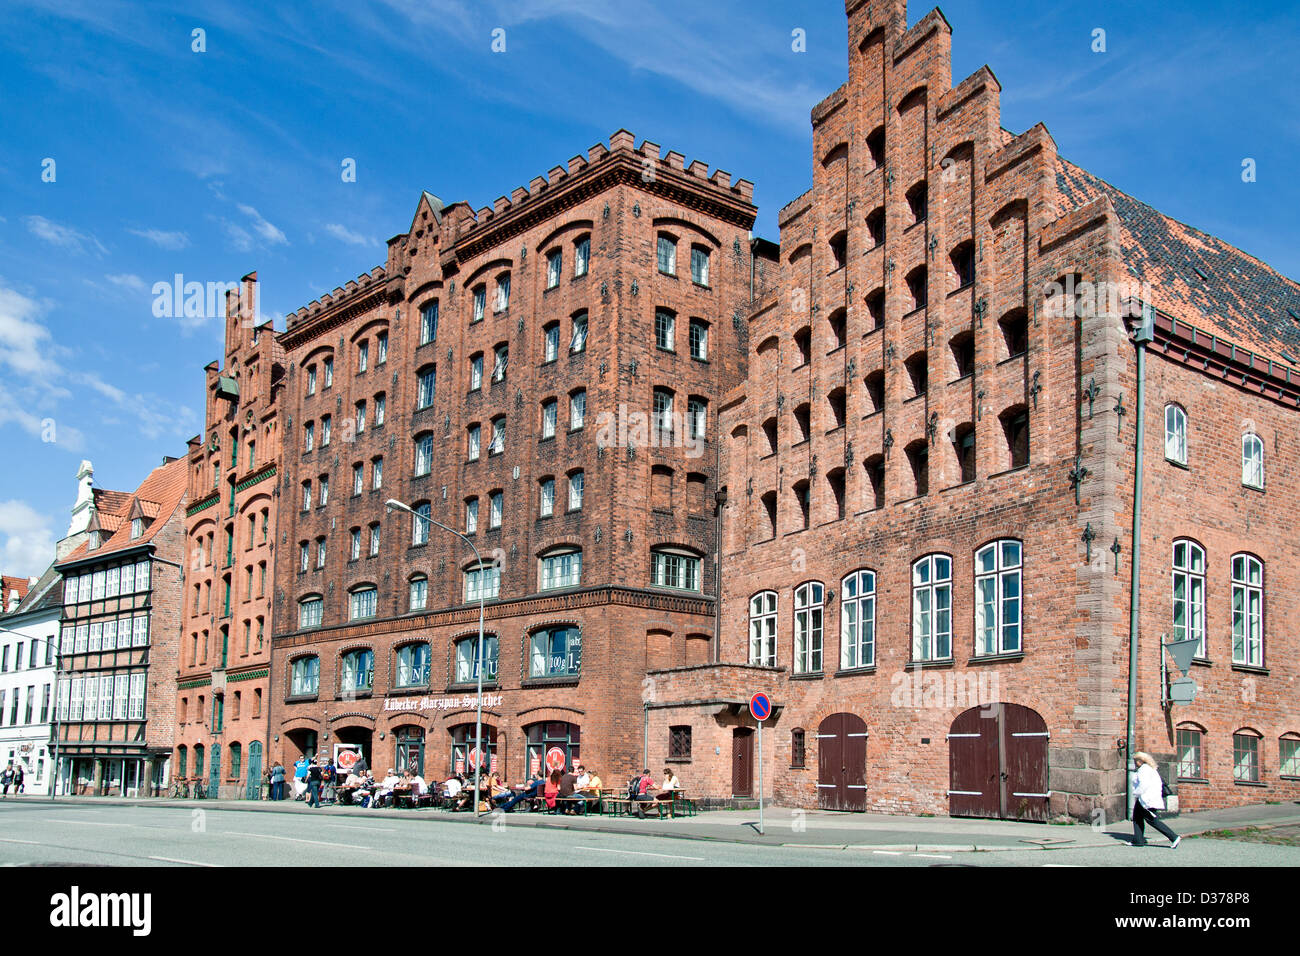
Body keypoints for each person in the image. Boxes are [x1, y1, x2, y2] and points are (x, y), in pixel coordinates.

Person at [1129, 752, 1179, 848]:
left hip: (1146, 799)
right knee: (1137, 817)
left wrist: (1136, 793)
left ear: (1140, 761)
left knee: (1152, 820)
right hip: (1145, 798)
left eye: (1136, 761)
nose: (1135, 763)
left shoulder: (1144, 770)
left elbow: (1144, 784)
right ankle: (1138, 840)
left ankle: (1174, 837)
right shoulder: (1149, 769)